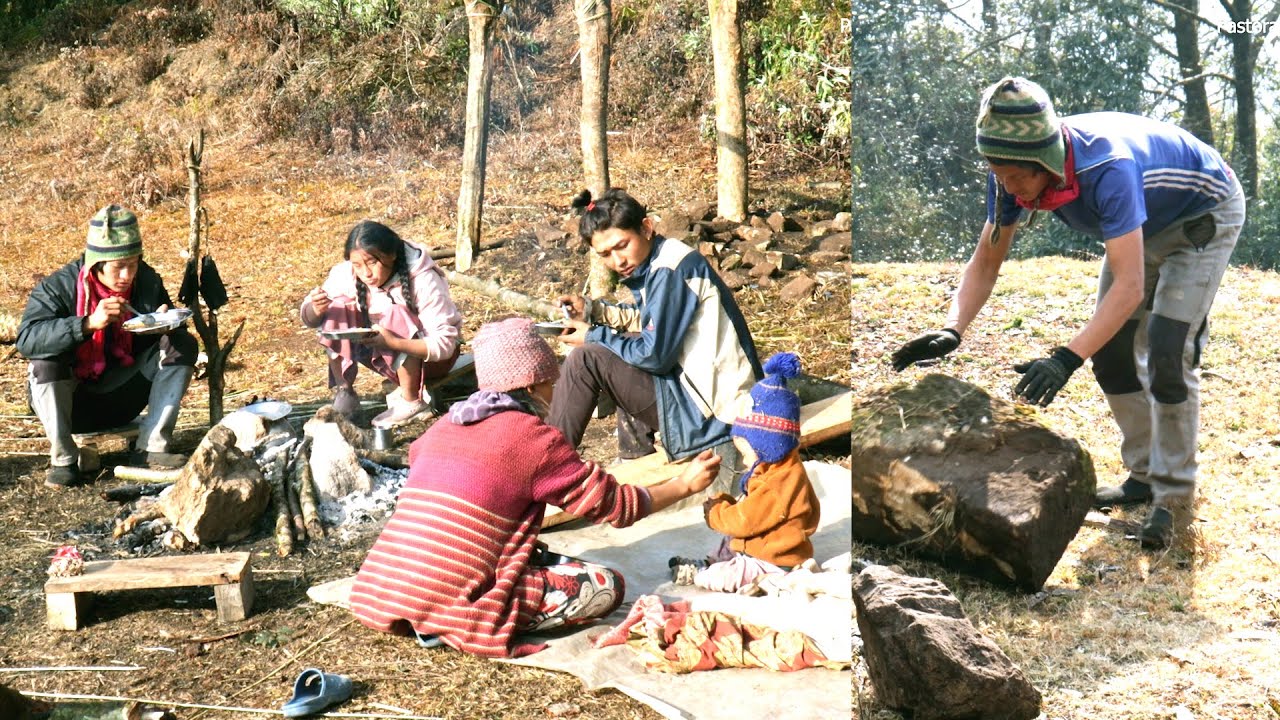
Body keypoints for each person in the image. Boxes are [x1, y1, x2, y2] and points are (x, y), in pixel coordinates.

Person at [890, 77, 1244, 549]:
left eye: (1017, 177)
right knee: (1113, 353)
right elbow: (987, 262)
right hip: (1144, 224)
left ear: (1047, 162)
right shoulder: (1008, 178)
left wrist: (1064, 358)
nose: (1009, 188)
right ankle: (1143, 475)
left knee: (1167, 349)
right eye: (999, 175)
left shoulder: (1107, 169)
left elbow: (1129, 285)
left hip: (1203, 215)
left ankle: (1174, 501)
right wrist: (952, 327)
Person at [348, 317, 721, 658]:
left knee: (531, 554)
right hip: (449, 592)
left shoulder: (439, 429)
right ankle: (455, 617)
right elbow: (616, 506)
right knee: (606, 585)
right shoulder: (533, 439)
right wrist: (684, 485)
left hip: (384, 587)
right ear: (531, 384)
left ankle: (428, 605)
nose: (556, 389)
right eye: (551, 382)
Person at [550, 188, 762, 471]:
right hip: (698, 394)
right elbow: (651, 320)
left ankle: (545, 464)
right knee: (617, 346)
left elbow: (655, 356)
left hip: (718, 413)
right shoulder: (659, 260)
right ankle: (634, 456)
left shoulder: (670, 269)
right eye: (605, 254)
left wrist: (591, 335)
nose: (618, 261)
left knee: (586, 359)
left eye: (622, 245)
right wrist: (593, 311)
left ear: (647, 227)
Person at [17, 205, 198, 487]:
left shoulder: (146, 281)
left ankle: (151, 447)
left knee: (181, 344)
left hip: (122, 396)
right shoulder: (59, 287)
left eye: (133, 263)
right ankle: (64, 459)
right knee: (45, 362)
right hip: (71, 405)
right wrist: (88, 323)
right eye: (118, 267)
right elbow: (28, 340)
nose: (126, 275)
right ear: (96, 263)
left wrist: (162, 322)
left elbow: (163, 331)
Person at [671, 352, 820, 588]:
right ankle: (709, 562)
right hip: (765, 547)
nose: (743, 462)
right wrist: (727, 502)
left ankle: (703, 574)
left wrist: (716, 512)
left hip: (774, 561)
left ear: (768, 448)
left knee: (726, 574)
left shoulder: (776, 483)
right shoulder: (779, 469)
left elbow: (744, 521)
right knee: (729, 541)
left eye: (745, 454)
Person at [300, 220, 462, 427]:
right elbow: (308, 318)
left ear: (391, 255)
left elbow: (444, 346)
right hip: (384, 353)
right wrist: (316, 308)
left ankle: (412, 401)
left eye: (372, 263)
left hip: (432, 363)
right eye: (357, 265)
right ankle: (344, 390)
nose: (365, 273)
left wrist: (393, 342)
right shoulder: (348, 272)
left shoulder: (423, 280)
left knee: (395, 313)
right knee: (337, 306)